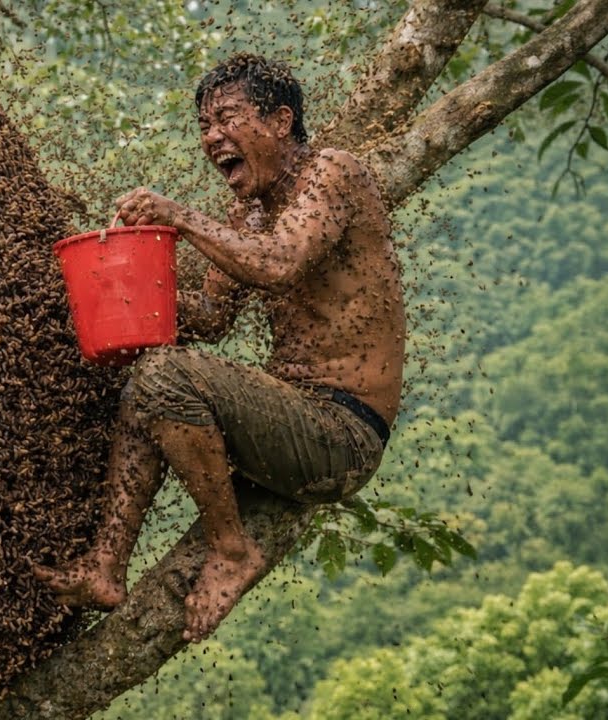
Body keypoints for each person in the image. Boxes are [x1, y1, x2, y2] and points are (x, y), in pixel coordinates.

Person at [34, 54, 405, 642]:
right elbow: (209, 319)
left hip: (342, 433)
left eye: (228, 119)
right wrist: (123, 281)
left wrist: (179, 217)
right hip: (289, 413)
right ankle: (106, 566)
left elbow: (279, 265)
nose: (213, 138)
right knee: (143, 380)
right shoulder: (249, 212)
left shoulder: (330, 172)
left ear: (281, 122)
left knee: (164, 377)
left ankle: (230, 550)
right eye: (205, 126)